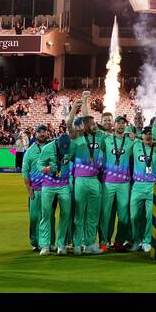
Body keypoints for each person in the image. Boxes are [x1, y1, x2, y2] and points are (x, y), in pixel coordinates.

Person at [67, 92, 104, 255]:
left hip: (95, 180)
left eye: (95, 123)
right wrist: (80, 104)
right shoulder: (78, 136)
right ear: (86, 124)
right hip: (80, 180)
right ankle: (77, 244)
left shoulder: (100, 137)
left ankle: (89, 244)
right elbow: (69, 125)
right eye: (91, 123)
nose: (94, 125)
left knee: (93, 214)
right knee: (79, 213)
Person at [37, 123, 73, 255]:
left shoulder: (71, 146)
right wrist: (44, 169)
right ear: (57, 143)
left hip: (63, 185)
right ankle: (45, 245)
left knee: (65, 214)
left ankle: (61, 244)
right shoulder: (47, 148)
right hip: (48, 185)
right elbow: (39, 163)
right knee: (45, 215)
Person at [100, 116, 134, 250]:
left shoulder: (131, 141)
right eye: (118, 123)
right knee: (106, 213)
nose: (120, 125)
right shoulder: (106, 139)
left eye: (123, 123)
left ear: (126, 126)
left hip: (124, 183)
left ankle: (119, 241)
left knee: (123, 214)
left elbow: (146, 141)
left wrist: (134, 134)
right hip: (108, 182)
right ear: (114, 125)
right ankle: (104, 242)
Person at [128, 114, 156, 254]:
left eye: (150, 134)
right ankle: (136, 240)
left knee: (149, 216)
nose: (148, 136)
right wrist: (138, 137)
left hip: (152, 185)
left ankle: (147, 241)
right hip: (138, 186)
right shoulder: (136, 146)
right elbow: (130, 134)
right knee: (134, 216)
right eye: (146, 134)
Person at [22, 123, 50, 252]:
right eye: (39, 132)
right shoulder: (30, 151)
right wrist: (29, 190)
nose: (42, 134)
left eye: (44, 131)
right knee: (34, 217)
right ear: (35, 134)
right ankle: (35, 241)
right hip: (36, 189)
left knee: (48, 217)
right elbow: (25, 171)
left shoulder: (52, 148)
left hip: (50, 188)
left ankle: (46, 242)